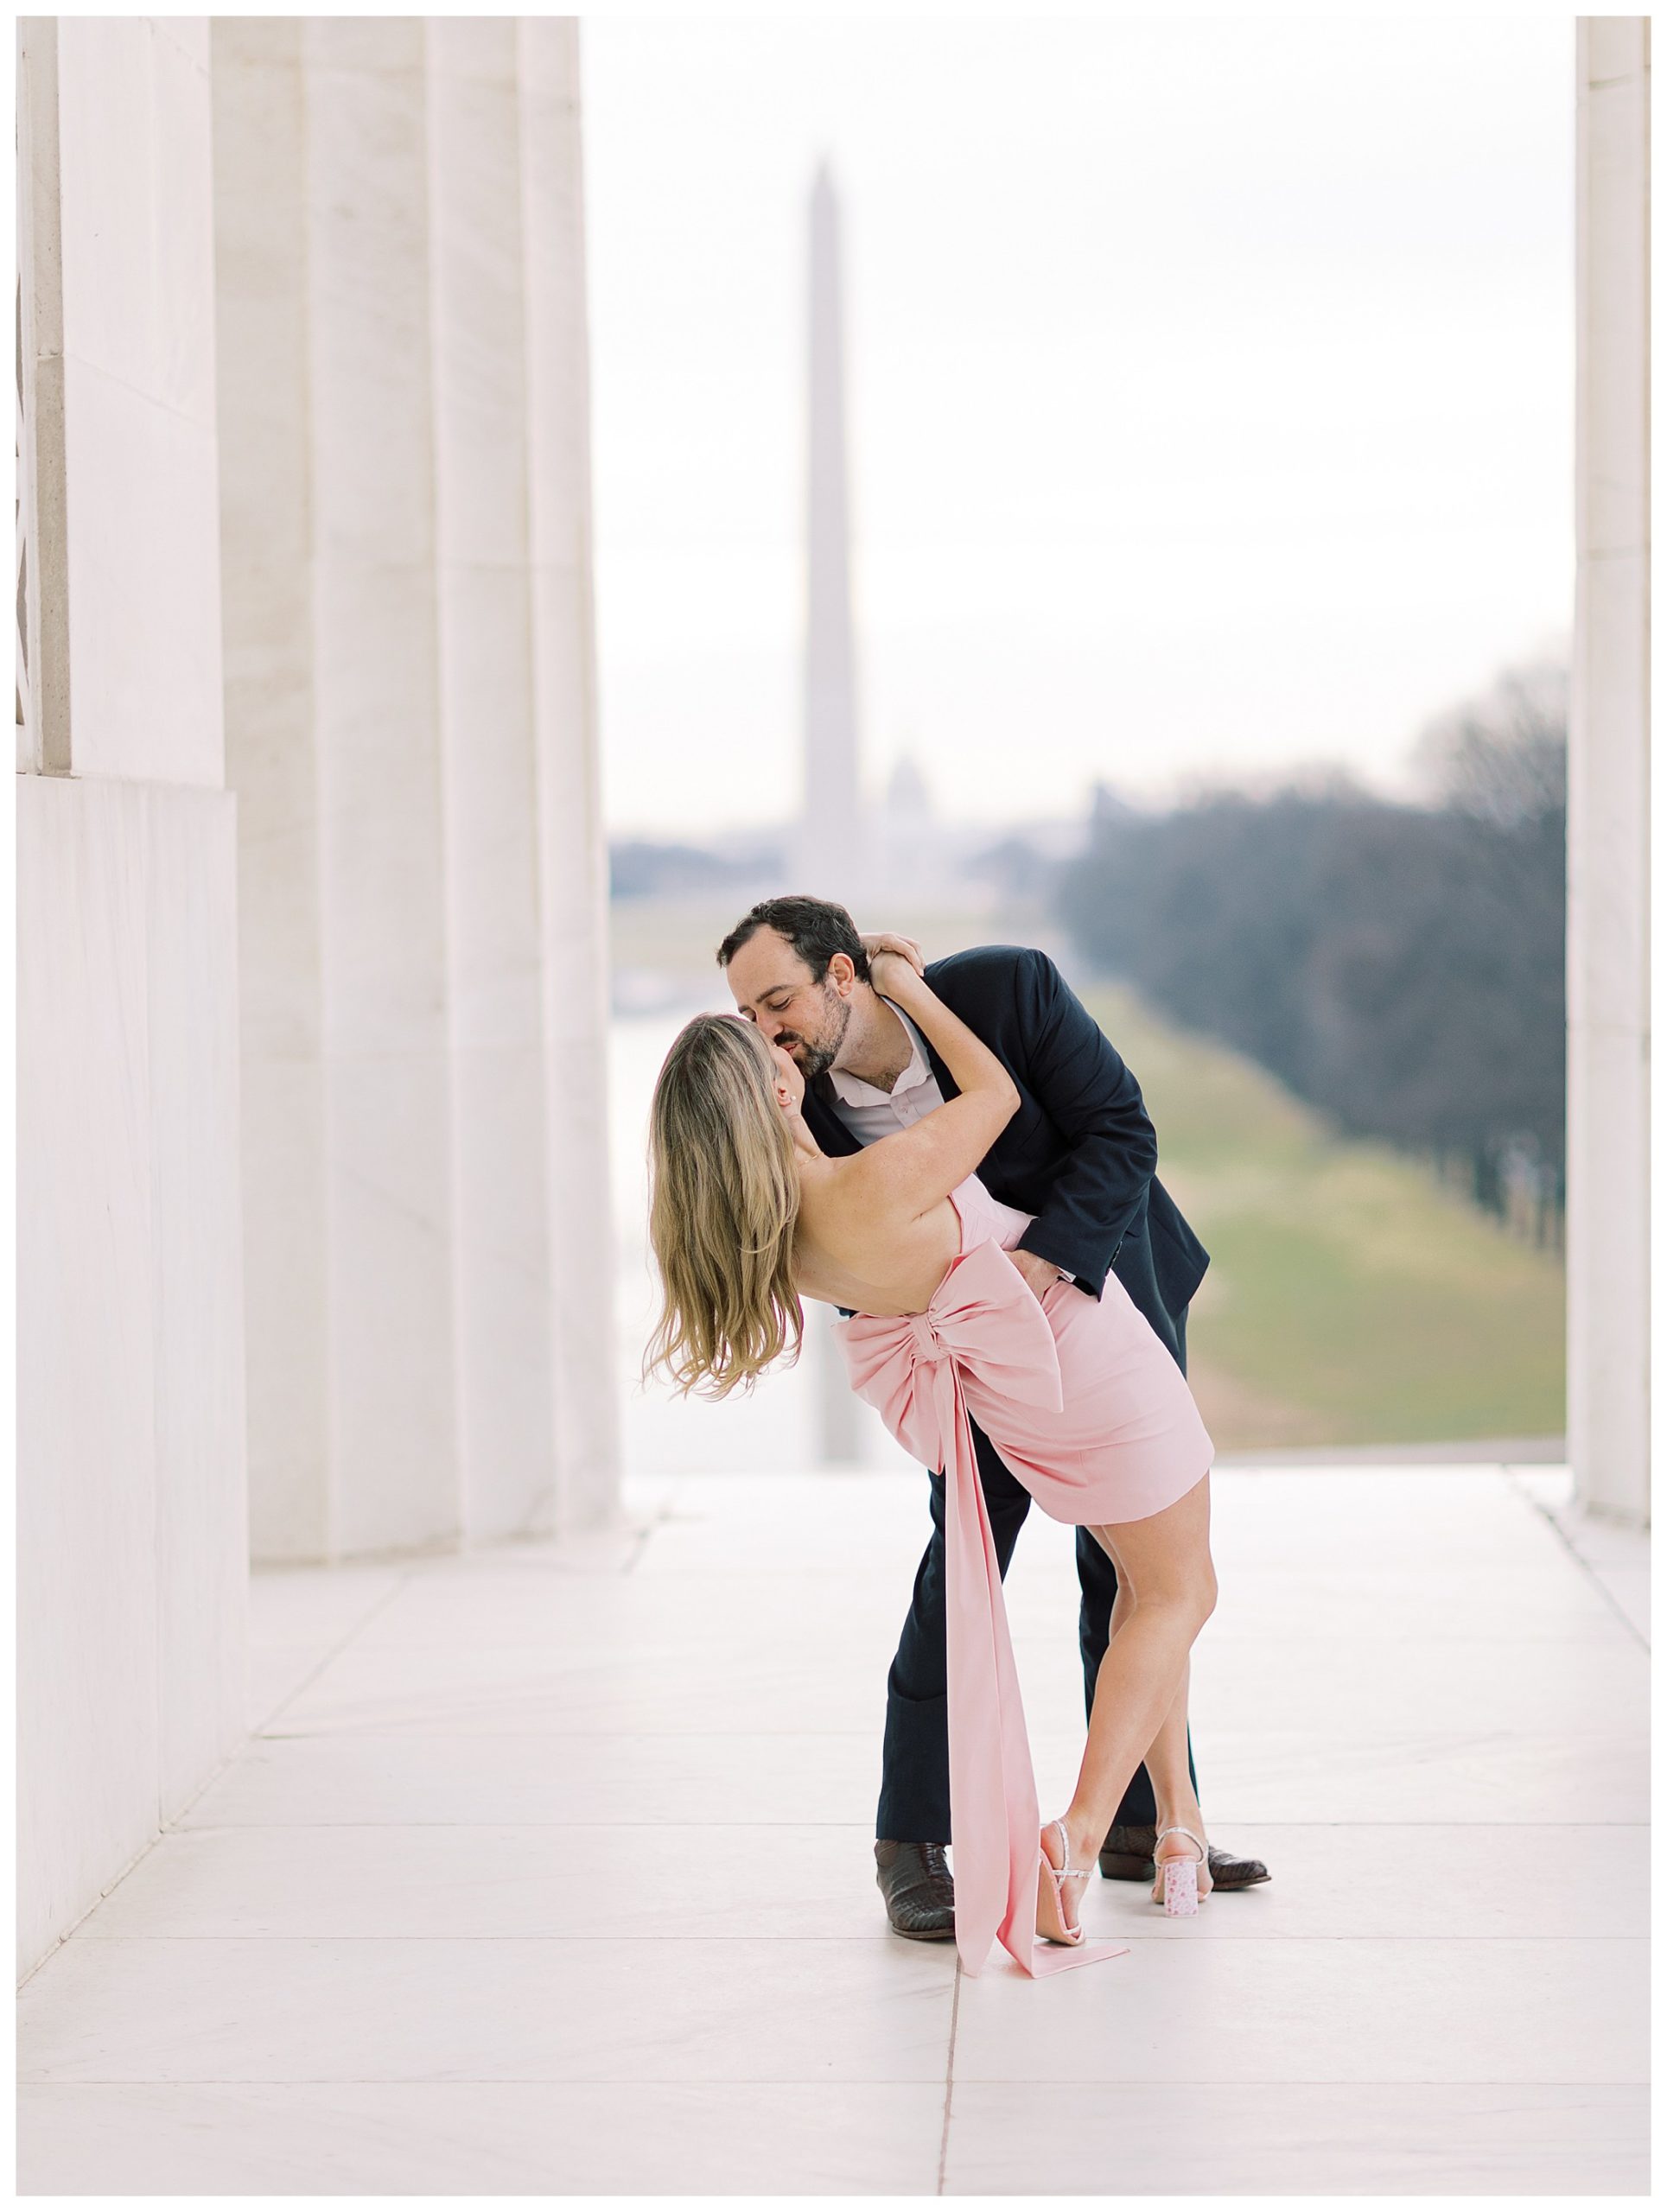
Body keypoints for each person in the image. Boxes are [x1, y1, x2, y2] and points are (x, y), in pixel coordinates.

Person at [646, 938, 1224, 1978]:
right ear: (768, 1096)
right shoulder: (865, 1178)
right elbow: (994, 1095)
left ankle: (1171, 1822)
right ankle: (1076, 1834)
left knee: (1143, 1588)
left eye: (773, 1008)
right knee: (1179, 1592)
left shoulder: (785, 1223)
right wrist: (910, 987)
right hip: (1082, 1360)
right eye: (759, 1040)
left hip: (1022, 1377)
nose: (774, 1036)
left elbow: (1107, 1131)